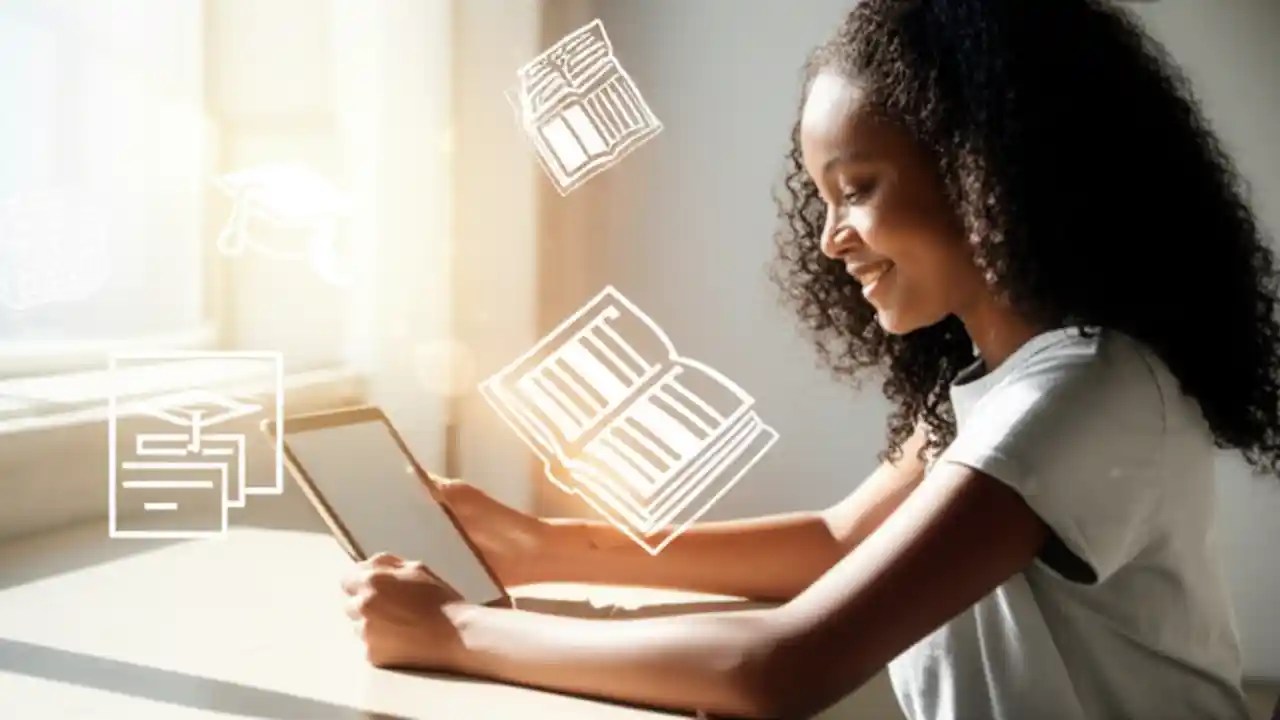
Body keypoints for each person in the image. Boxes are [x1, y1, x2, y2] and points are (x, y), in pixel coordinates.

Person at [339, 1, 1280, 717]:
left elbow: (783, 666)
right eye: (822, 197)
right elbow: (838, 543)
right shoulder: (1001, 386)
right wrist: (538, 546)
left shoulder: (1085, 390)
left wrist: (457, 630)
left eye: (857, 188)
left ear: (990, 171)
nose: (830, 238)